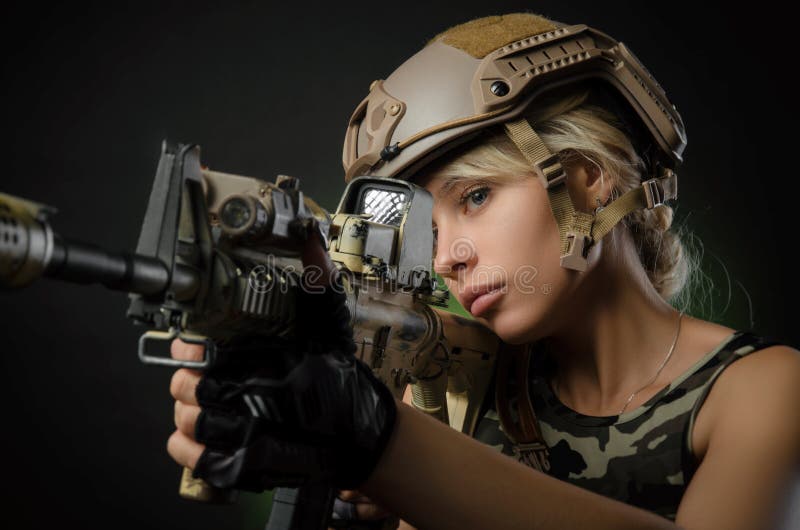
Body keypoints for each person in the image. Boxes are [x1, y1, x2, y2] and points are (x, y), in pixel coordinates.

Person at [166, 13, 800, 529]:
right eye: (431, 231)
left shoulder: (764, 391)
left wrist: (391, 450)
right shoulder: (457, 378)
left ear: (587, 180)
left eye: (474, 196)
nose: (446, 259)